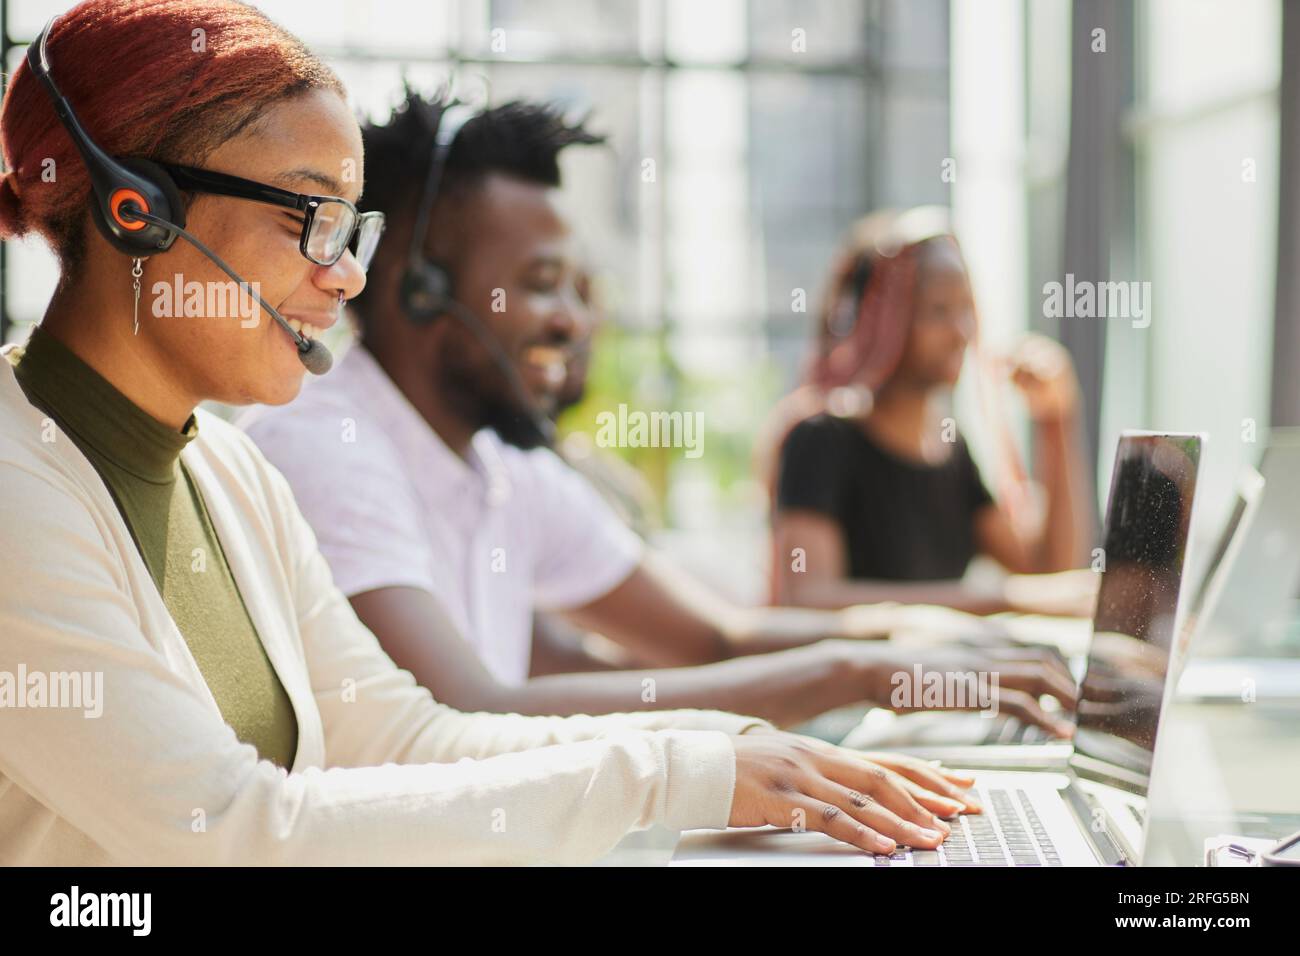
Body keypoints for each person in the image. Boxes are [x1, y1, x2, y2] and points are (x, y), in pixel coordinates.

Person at [0, 0, 987, 866]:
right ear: (141, 212)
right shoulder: (19, 492)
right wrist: (673, 774)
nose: (344, 275)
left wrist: (732, 751)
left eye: (355, 230)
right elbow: (234, 827)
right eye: (312, 218)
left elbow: (403, 735)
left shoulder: (227, 473)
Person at [239, 91, 1076, 735]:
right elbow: (461, 716)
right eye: (539, 285)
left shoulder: (500, 464)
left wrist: (928, 647)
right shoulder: (329, 445)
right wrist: (851, 675)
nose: (573, 320)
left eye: (581, 288)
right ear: (415, 288)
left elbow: (716, 637)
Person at [763, 207, 1097, 616]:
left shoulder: (950, 449)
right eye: (938, 310)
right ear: (877, 319)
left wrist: (1056, 418)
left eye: (966, 309)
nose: (960, 332)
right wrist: (1003, 600)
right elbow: (809, 599)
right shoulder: (820, 440)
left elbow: (1048, 568)